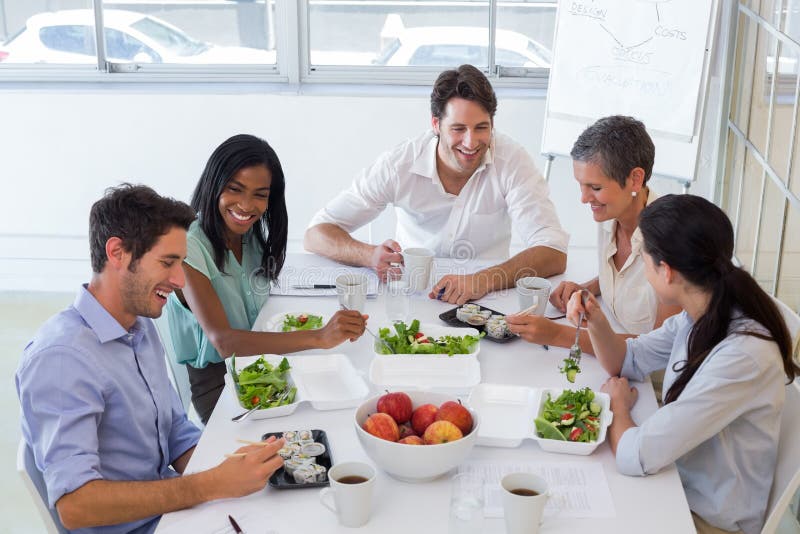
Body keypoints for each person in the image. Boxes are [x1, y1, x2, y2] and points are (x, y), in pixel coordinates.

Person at [16, 184, 286, 533]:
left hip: (175, 514)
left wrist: (231, 466)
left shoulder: (138, 324)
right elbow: (76, 505)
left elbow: (174, 430)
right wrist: (210, 484)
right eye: (167, 262)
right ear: (117, 253)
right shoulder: (61, 359)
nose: (178, 280)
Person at [567, 194, 797, 534]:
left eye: (643, 259)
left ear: (667, 271)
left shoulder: (742, 355)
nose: (641, 268)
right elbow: (627, 360)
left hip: (704, 519)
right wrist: (596, 320)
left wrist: (618, 404)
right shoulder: (703, 309)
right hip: (674, 483)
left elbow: (636, 454)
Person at [304, 64, 568, 305]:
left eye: (481, 128)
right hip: (411, 298)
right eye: (458, 128)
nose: (471, 142)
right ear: (435, 124)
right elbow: (316, 235)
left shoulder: (512, 160)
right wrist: (369, 255)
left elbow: (554, 251)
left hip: (487, 299)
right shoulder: (400, 164)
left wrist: (482, 280)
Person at [166, 134, 366, 424]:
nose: (247, 206)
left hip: (260, 364)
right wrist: (319, 336)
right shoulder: (190, 246)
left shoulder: (249, 235)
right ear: (214, 185)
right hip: (220, 384)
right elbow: (224, 342)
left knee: (346, 401)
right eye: (235, 189)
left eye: (260, 194)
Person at [507, 115, 680, 352]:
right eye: (581, 184)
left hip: (650, 380)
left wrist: (558, 334)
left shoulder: (672, 241)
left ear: (635, 179)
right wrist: (586, 288)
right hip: (613, 351)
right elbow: (629, 278)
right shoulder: (611, 214)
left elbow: (661, 349)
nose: (584, 198)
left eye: (596, 188)